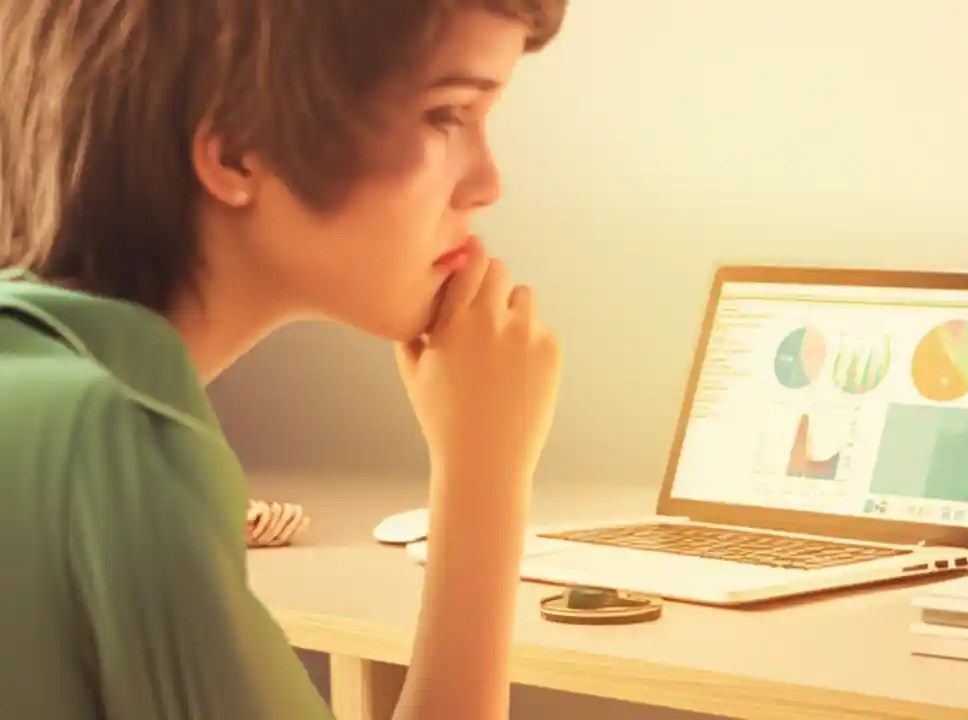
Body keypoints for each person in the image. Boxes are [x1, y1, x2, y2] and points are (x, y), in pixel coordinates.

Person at [0, 1, 566, 718]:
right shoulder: (115, 438)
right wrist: (485, 469)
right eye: (448, 114)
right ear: (238, 150)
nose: (488, 183)